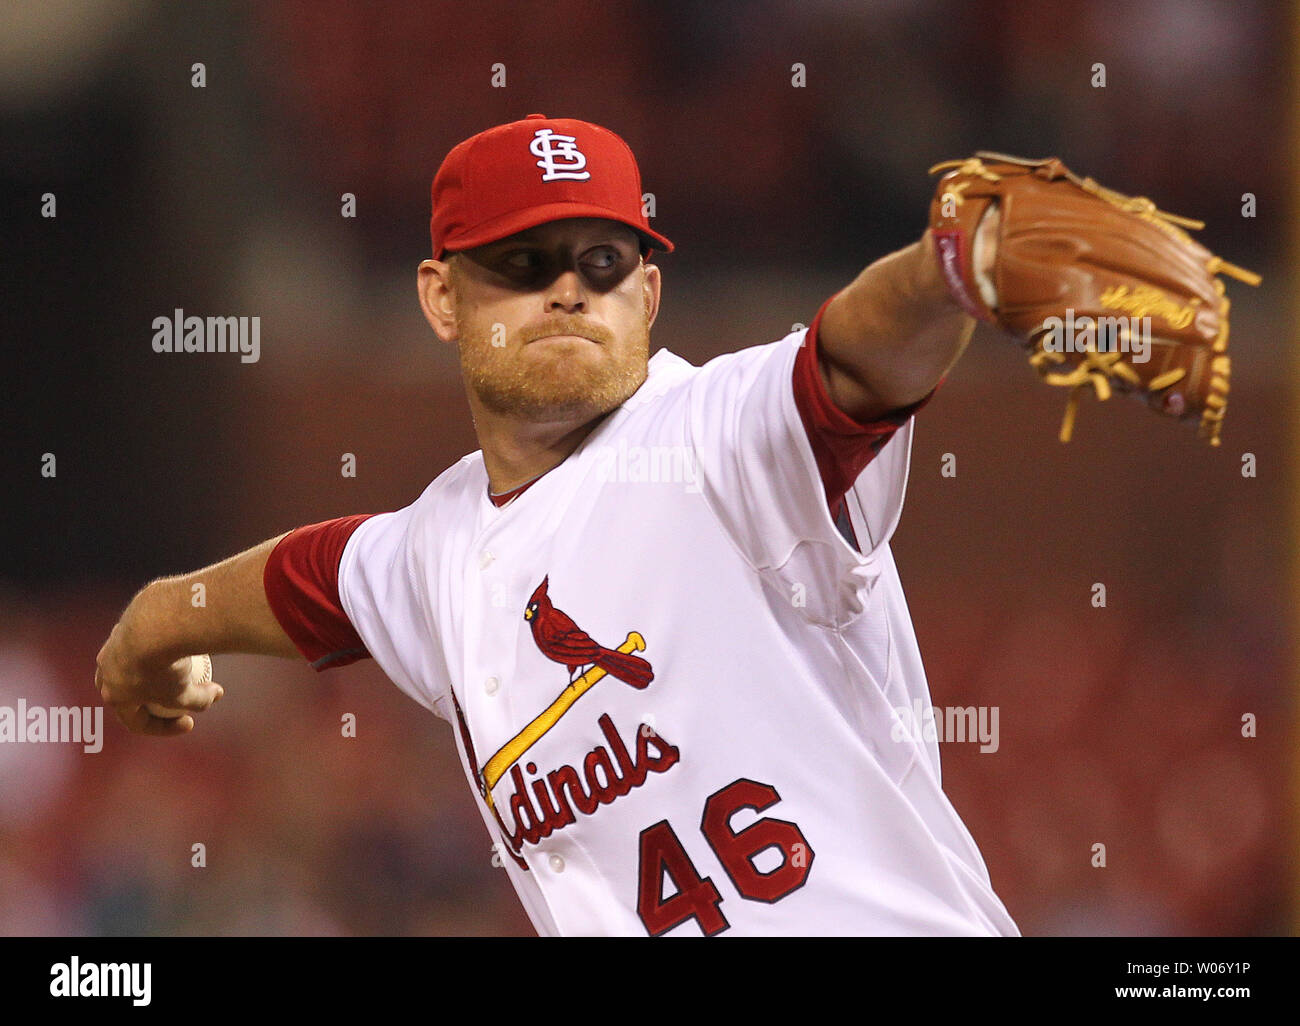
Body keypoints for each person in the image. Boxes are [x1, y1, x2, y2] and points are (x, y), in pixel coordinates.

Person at [96, 113, 1017, 936]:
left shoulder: (721, 431)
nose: (570, 290)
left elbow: (853, 359)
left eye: (603, 263)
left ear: (647, 299)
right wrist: (153, 627)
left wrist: (948, 272)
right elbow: (310, 578)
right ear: (441, 298)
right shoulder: (436, 547)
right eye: (523, 265)